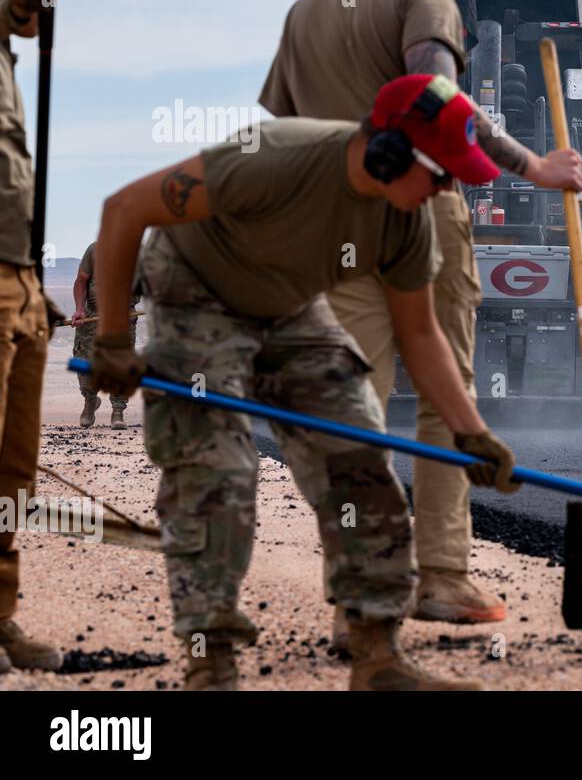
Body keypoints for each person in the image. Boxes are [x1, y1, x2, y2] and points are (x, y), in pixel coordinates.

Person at [87, 75, 520, 691]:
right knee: (215, 466)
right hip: (197, 288)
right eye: (443, 173)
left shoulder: (408, 219)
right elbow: (124, 208)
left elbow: (422, 336)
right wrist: (111, 341)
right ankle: (211, 663)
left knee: (359, 455)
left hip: (291, 304)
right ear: (388, 152)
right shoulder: (273, 160)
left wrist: (472, 434)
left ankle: (376, 654)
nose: (449, 189)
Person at [261, 0, 582, 632]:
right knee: (445, 394)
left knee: (354, 409)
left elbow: (280, 129)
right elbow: (437, 102)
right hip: (421, 212)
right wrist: (534, 166)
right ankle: (440, 574)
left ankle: (358, 598)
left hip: (336, 226)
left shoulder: (305, 13)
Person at [0, 0, 67, 675]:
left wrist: (28, 286)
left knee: (12, 474)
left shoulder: (11, 68)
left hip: (18, 283)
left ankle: (1, 616)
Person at [71, 241, 140, 428]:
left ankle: (117, 412)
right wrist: (79, 310)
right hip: (92, 316)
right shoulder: (95, 250)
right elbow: (81, 281)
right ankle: (90, 402)